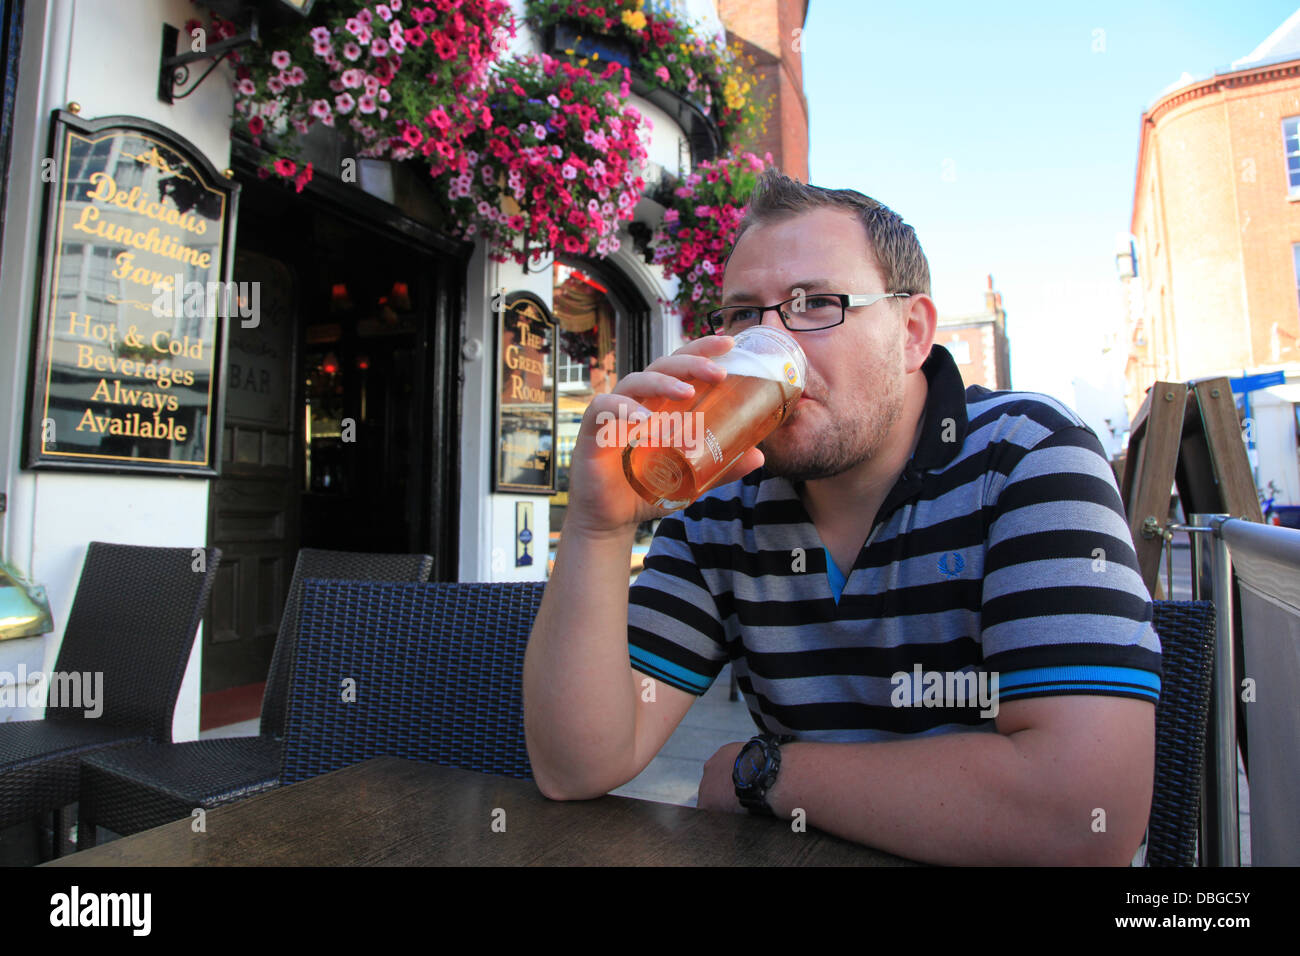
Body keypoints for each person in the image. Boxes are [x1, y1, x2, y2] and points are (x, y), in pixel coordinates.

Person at [522, 170, 1160, 866]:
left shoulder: (1027, 458)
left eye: (816, 303)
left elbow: (1082, 817)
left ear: (912, 333)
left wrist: (765, 772)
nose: (768, 342)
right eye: (742, 315)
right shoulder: (724, 502)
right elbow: (575, 768)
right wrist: (599, 527)